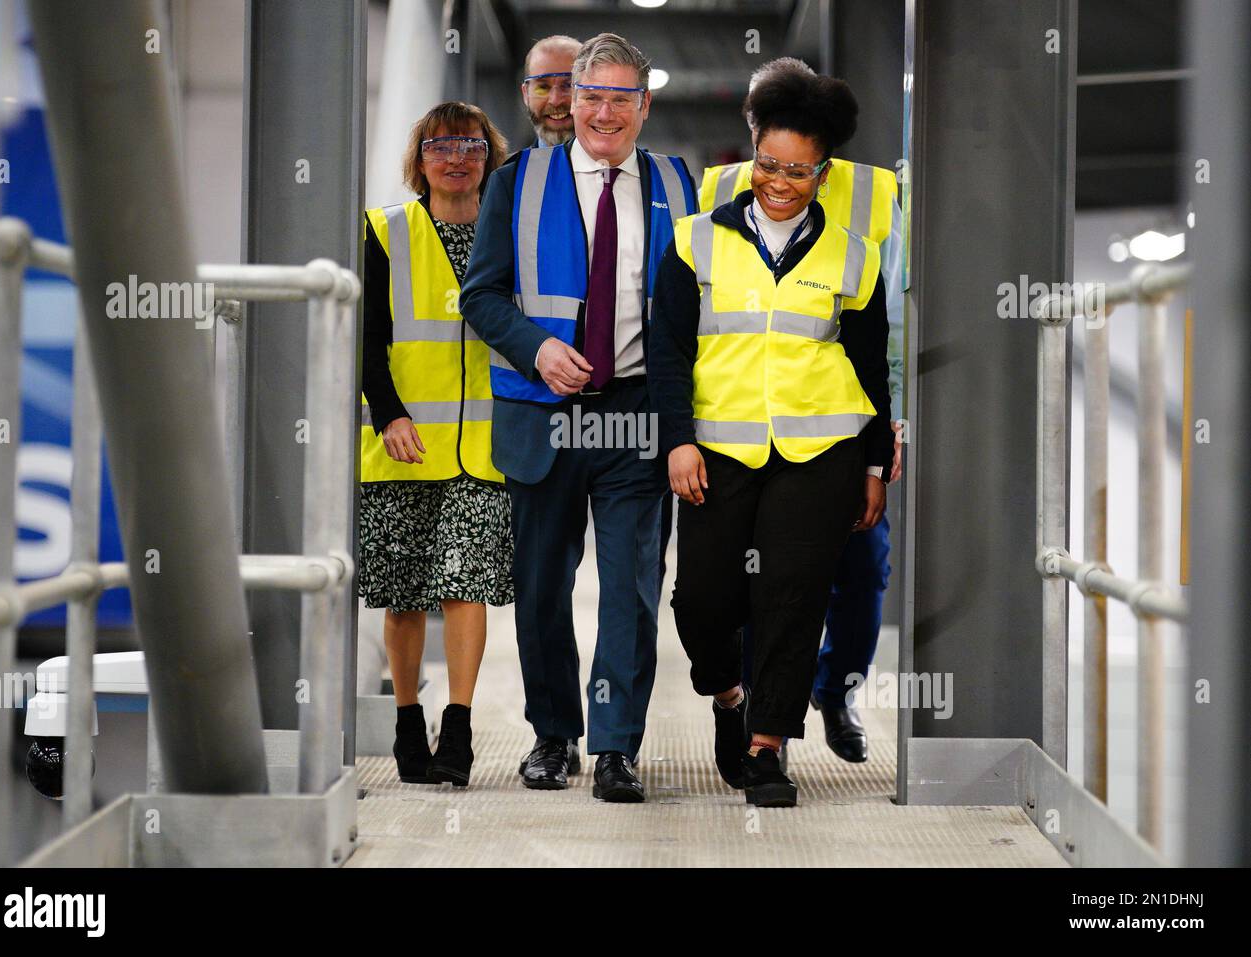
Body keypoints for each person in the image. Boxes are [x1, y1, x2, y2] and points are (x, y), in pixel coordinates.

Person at [649, 61, 892, 808]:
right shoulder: (695, 241)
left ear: (823, 172)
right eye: (767, 164)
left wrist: (877, 460)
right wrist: (678, 439)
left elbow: (870, 364)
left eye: (797, 170)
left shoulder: (853, 255)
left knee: (794, 595)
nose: (778, 180)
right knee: (703, 601)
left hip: (820, 450)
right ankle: (728, 696)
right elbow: (668, 351)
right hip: (718, 448)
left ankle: (768, 747)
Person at [461, 33, 696, 802]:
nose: (602, 112)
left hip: (635, 413)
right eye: (590, 95)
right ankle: (554, 734)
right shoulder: (516, 182)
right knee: (541, 584)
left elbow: (696, 308)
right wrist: (536, 349)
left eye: (620, 98)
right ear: (573, 99)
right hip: (543, 412)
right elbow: (482, 296)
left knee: (632, 585)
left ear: (643, 106)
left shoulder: (675, 184)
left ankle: (617, 745)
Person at [359, 102, 512, 788]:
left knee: (464, 582)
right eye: (441, 145)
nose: (456, 157)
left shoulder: (509, 233)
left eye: (471, 146)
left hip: (482, 446)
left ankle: (457, 727)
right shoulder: (385, 231)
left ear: (489, 156)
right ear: (419, 159)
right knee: (403, 593)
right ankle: (405, 716)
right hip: (403, 443)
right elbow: (366, 340)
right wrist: (387, 414)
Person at [519, 34, 581, 148]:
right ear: (526, 94)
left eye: (568, 85)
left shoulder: (619, 165)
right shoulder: (515, 166)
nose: (555, 100)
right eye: (543, 87)